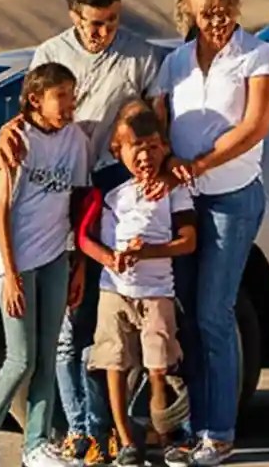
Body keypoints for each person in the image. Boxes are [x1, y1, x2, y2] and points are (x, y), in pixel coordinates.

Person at [0, 0, 166, 465]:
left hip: (113, 193)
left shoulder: (140, 56)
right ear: (74, 15)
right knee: (69, 328)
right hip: (57, 198)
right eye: (94, 23)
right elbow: (29, 115)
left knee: (110, 323)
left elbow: (156, 122)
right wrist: (7, 130)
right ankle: (79, 431)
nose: (104, 32)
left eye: (112, 20)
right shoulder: (50, 54)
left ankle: (114, 426)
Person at [148, 0, 269, 467]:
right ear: (190, 11)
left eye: (224, 12)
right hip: (182, 201)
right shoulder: (175, 63)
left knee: (214, 313)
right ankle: (191, 427)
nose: (217, 22)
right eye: (207, 14)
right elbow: (160, 122)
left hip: (231, 196)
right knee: (186, 318)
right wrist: (163, 164)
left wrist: (198, 164)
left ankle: (218, 433)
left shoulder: (258, 55)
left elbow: (255, 125)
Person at [0, 62, 90, 467]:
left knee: (48, 355)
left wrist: (79, 266)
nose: (69, 106)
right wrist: (11, 274)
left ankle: (37, 444)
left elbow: (78, 205)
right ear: (36, 99)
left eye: (72, 97)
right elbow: (1, 207)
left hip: (56, 257)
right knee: (20, 358)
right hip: (17, 261)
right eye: (61, 97)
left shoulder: (75, 140)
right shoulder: (18, 138)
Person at [77, 101, 197, 467]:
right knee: (114, 362)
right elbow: (89, 238)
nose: (145, 155)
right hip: (115, 292)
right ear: (119, 152)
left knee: (159, 366)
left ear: (164, 148)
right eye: (136, 148)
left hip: (157, 292)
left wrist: (149, 252)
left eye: (152, 147)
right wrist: (109, 259)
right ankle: (127, 440)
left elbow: (188, 241)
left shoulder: (174, 191)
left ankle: (167, 437)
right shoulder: (115, 196)